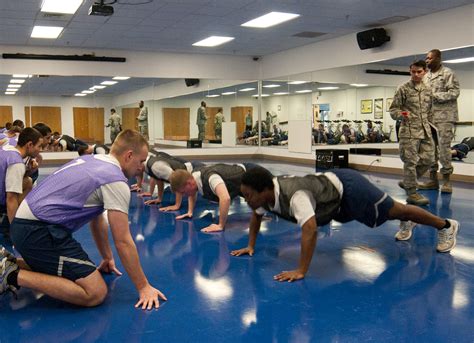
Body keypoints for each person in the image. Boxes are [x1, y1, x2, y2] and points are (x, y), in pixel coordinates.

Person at [0, 130, 167, 309]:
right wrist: (143, 286)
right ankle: (9, 274)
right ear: (128, 155)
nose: (142, 167)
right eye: (141, 161)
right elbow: (123, 241)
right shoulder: (115, 180)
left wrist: (107, 257)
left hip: (25, 226)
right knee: (95, 292)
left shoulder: (92, 160)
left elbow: (97, 219)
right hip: (38, 231)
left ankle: (8, 262)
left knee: (66, 270)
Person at [230, 166, 459, 282]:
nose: (246, 201)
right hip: (332, 203)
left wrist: (301, 270)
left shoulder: (296, 196)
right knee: (388, 214)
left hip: (349, 188)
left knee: (394, 210)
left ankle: (445, 225)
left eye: (249, 195)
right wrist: (250, 245)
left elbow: (310, 229)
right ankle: (407, 220)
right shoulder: (263, 199)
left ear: (265, 190)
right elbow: (256, 216)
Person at [389, 60, 434, 206]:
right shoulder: (403, 88)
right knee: (410, 162)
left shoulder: (428, 89)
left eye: (419, 71)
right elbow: (393, 110)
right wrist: (402, 114)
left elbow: (430, 110)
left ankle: (408, 181)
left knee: (429, 159)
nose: (415, 74)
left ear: (425, 72)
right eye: (413, 71)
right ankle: (412, 193)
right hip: (408, 131)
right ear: (410, 71)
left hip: (425, 130)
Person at [169, 163, 258, 233]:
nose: (184, 195)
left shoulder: (211, 178)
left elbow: (225, 198)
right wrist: (190, 212)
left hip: (252, 174)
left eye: (183, 192)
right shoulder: (194, 179)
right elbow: (192, 194)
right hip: (240, 186)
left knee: (270, 201)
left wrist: (220, 225)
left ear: (189, 183)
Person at [418, 49, 461, 193]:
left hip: (445, 117)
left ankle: (447, 181)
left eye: (429, 58)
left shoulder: (448, 73)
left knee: (444, 149)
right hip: (429, 118)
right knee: (430, 150)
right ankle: (432, 180)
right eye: (426, 58)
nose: (427, 60)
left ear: (438, 58)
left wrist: (435, 96)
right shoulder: (425, 76)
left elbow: (454, 92)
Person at [0, 128, 43, 237]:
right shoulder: (16, 163)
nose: (40, 150)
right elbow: (11, 198)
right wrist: (15, 232)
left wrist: (29, 170)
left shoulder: (6, 148)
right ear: (29, 144)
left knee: (28, 181)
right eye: (39, 146)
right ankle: (7, 222)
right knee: (13, 197)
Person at [138, 151, 204, 208]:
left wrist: (177, 205)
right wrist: (159, 198)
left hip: (195, 169)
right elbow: (159, 179)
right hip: (190, 170)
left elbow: (177, 181)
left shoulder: (156, 166)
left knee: (210, 188)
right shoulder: (147, 165)